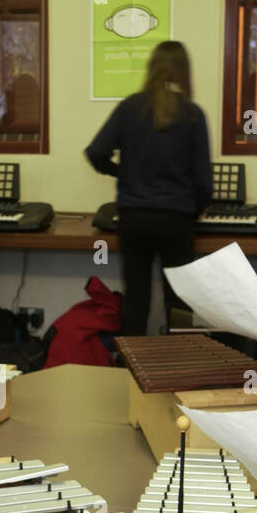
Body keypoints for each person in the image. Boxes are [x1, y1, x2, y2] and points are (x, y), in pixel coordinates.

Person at [84, 40, 211, 336]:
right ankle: (175, 368)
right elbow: (203, 177)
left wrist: (121, 173)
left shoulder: (130, 108)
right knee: (178, 300)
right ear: (183, 72)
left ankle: (131, 373)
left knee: (136, 300)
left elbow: (95, 152)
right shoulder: (192, 114)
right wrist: (200, 205)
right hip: (176, 220)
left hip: (134, 218)